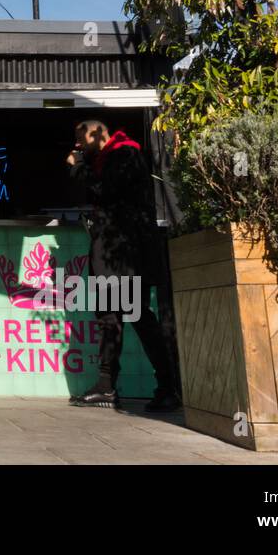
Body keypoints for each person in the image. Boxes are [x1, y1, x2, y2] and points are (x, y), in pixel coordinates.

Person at [67, 120, 179, 411]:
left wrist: (78, 167)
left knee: (137, 316)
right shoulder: (106, 158)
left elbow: (104, 191)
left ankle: (168, 386)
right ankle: (108, 386)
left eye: (81, 139)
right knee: (111, 317)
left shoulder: (125, 154)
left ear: (96, 134)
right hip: (115, 253)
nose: (78, 146)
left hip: (124, 253)